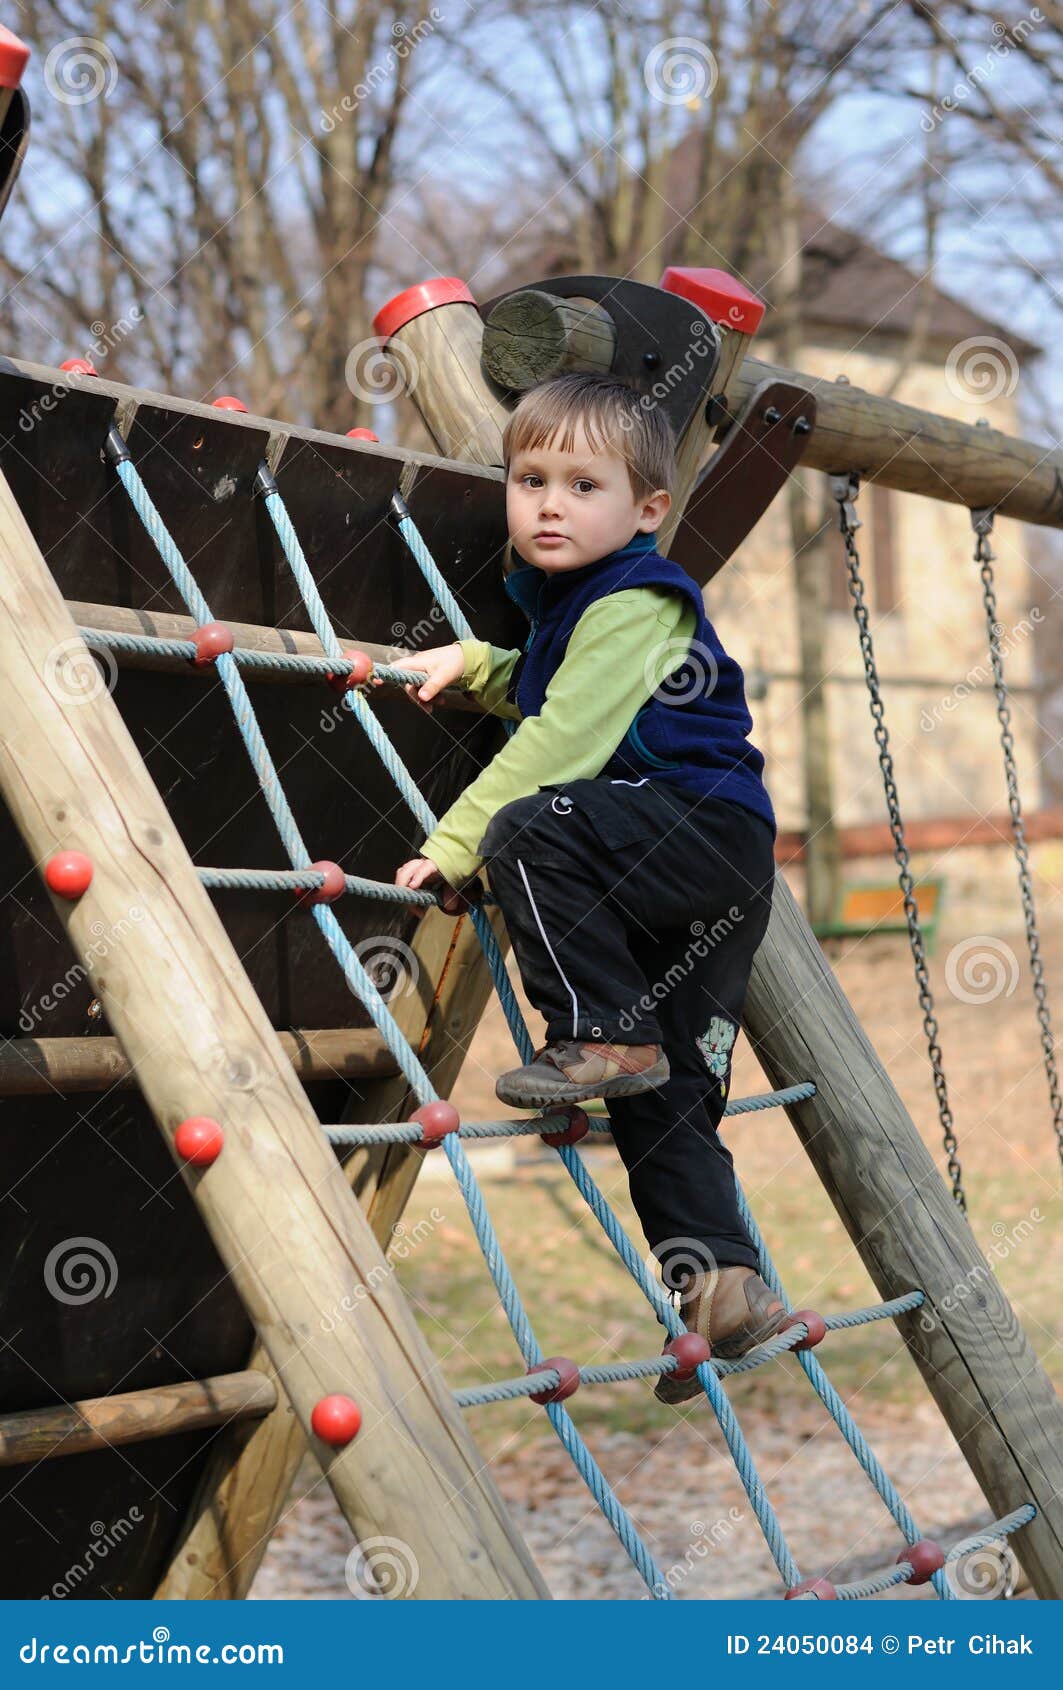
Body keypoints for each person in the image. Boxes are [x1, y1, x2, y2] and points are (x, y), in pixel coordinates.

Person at [386, 371, 784, 1401]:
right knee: (668, 1095)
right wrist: (477, 665)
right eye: (529, 481)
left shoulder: (638, 597)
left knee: (528, 829)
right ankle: (725, 1288)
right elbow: (547, 687)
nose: (549, 505)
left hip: (692, 829)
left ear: (647, 510)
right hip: (690, 857)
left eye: (582, 485)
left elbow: (563, 736)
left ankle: (599, 1029)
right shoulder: (575, 608)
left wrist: (456, 843)